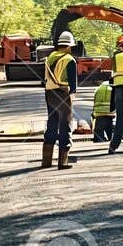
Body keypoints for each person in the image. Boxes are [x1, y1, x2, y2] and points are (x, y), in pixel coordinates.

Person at [42, 31, 79, 170]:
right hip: (63, 93)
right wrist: (72, 92)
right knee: (65, 124)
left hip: (49, 93)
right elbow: (73, 83)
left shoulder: (50, 57)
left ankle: (46, 161)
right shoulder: (69, 59)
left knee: (52, 123)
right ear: (69, 46)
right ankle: (62, 162)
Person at [91, 76, 114, 143]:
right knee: (109, 127)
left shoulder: (98, 89)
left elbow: (95, 100)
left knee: (99, 129)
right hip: (110, 112)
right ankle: (111, 138)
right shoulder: (112, 88)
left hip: (99, 112)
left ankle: (99, 139)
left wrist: (93, 112)